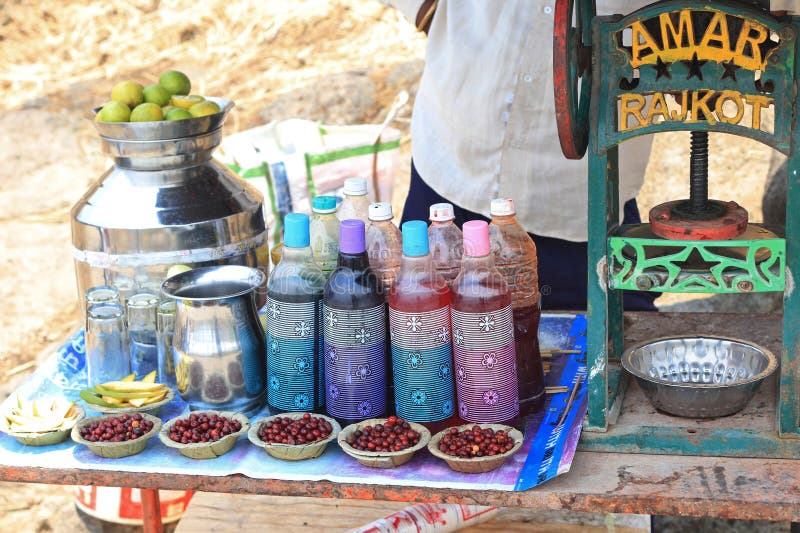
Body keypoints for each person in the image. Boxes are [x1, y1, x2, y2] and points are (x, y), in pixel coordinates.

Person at [384, 0, 795, 311]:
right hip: (452, 171)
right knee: (424, 356)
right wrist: (426, 9)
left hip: (582, 207)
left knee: (603, 371)